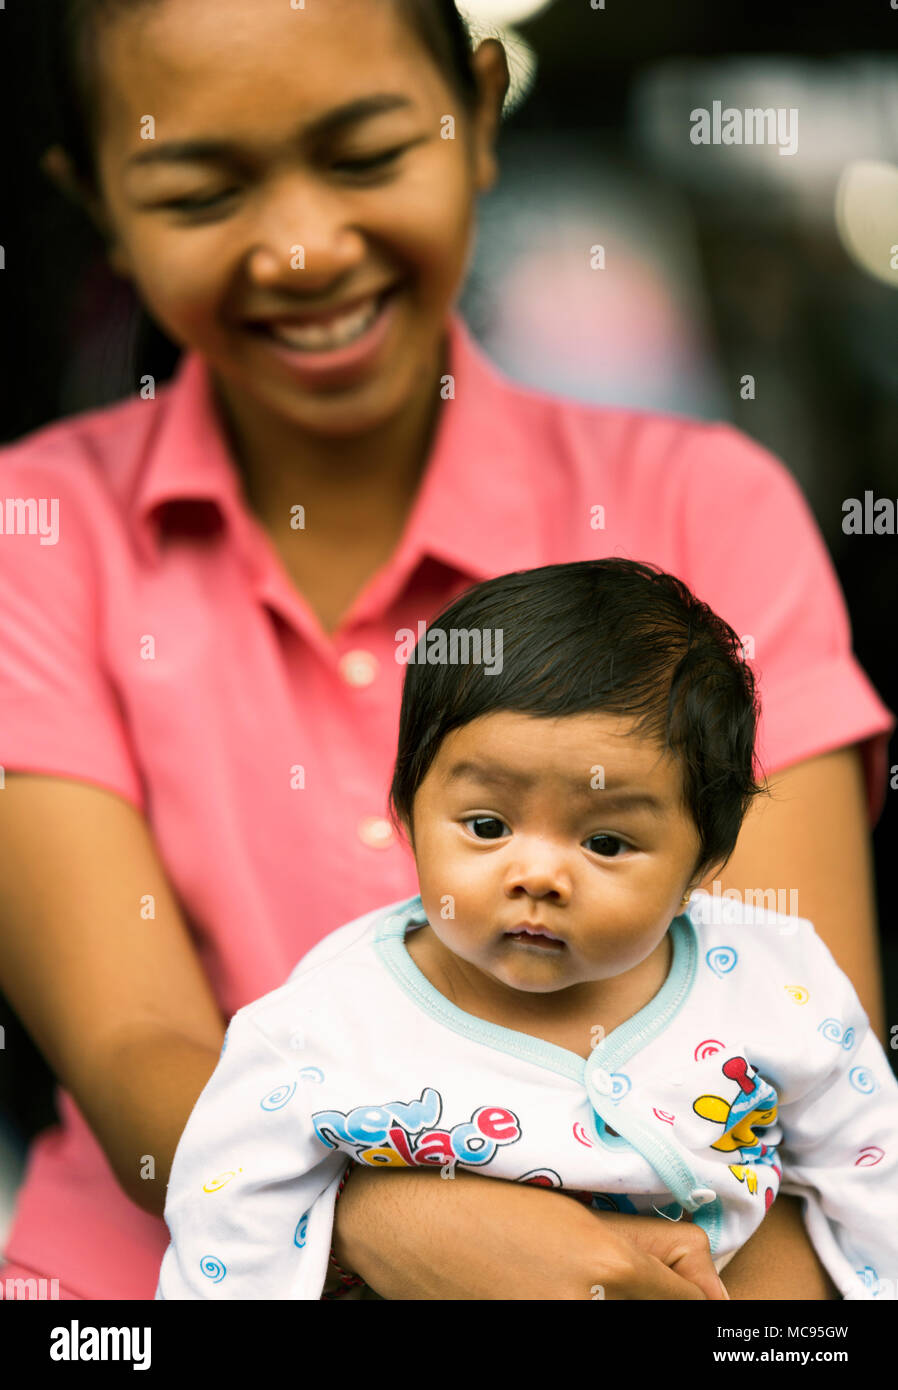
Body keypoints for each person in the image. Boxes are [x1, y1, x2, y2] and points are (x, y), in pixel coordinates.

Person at [0, 0, 893, 1301]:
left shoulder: (710, 504)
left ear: (476, 117)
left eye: (365, 157)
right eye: (200, 191)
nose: (303, 249)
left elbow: (791, 1046)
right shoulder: (36, 535)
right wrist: (374, 1222)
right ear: (98, 199)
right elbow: (135, 1040)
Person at [154, 559, 898, 1301]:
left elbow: (872, 1170)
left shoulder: (775, 980)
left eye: (606, 843)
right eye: (487, 825)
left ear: (702, 862)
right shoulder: (329, 1018)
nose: (538, 875)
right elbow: (227, 1202)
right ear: (408, 812)